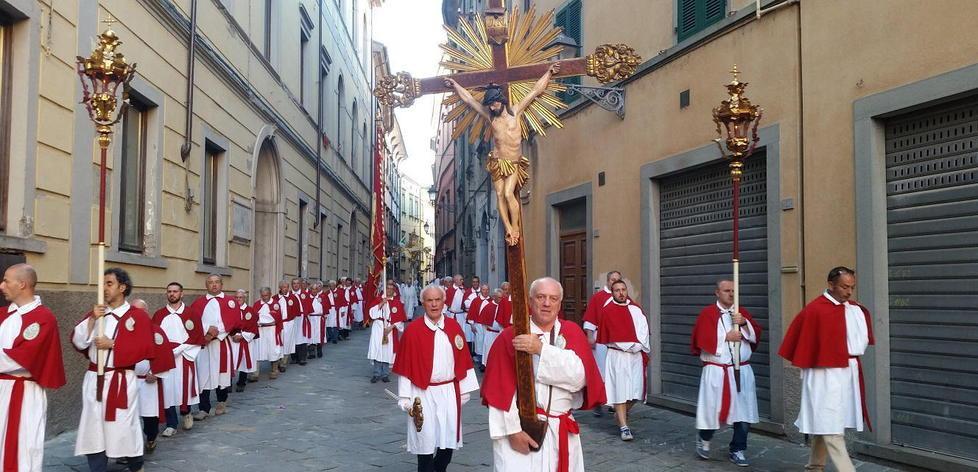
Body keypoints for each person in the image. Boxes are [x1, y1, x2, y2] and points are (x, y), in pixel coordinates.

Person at [482, 277, 605, 472]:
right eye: (540, 297)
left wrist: (541, 350)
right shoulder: (509, 336)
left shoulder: (572, 332)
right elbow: (499, 391)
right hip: (522, 431)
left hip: (561, 428)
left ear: (559, 304)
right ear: (530, 301)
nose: (547, 303)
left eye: (553, 298)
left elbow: (579, 378)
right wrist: (512, 432)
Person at [445, 63, 560, 245]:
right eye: (489, 105)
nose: (491, 107)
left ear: (501, 100)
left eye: (494, 103)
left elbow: (536, 91)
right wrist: (455, 85)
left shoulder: (516, 112)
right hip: (497, 161)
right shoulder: (490, 117)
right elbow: (469, 100)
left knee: (508, 194)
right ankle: (508, 229)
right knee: (499, 194)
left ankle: (515, 227)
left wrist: (549, 72)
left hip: (513, 162)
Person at [779, 267, 873, 472]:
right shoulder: (815, 310)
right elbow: (804, 345)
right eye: (844, 287)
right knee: (830, 424)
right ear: (831, 285)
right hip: (823, 374)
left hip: (848, 372)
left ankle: (814, 467)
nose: (849, 292)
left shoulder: (854, 309)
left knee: (827, 421)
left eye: (852, 287)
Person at [73, 268, 155, 472]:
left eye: (109, 284)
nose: (104, 288)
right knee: (93, 426)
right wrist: (92, 319)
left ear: (122, 287)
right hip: (95, 378)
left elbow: (145, 348)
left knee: (124, 426)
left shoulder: (138, 317)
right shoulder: (97, 313)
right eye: (103, 284)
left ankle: (136, 465)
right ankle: (97, 468)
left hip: (122, 380)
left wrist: (114, 344)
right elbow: (79, 341)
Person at [392, 285, 479, 472]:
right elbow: (406, 366)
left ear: (443, 302)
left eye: (437, 300)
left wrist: (464, 390)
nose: (434, 304)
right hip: (422, 393)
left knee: (447, 442)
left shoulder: (454, 327)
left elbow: (463, 359)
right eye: (429, 300)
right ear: (423, 303)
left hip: (449, 391)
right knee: (424, 440)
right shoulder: (413, 330)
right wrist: (405, 398)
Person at [0, 263, 66, 471]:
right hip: (2, 389)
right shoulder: (3, 315)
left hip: (24, 393)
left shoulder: (43, 319)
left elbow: (23, 358)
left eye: (6, 281)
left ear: (22, 284)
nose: (1, 285)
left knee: (23, 448)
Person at [691, 279, 762, 467]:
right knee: (713, 412)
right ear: (717, 293)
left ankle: (737, 449)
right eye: (726, 290)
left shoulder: (741, 312)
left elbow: (755, 336)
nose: (731, 294)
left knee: (743, 413)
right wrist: (725, 337)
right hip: (717, 372)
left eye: (733, 290)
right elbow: (701, 340)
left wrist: (744, 323)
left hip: (742, 371)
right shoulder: (707, 314)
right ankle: (704, 438)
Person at [596, 279, 649, 441]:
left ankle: (621, 415)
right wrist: (627, 345)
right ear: (612, 293)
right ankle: (624, 427)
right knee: (620, 390)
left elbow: (644, 329)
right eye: (617, 290)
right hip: (618, 355)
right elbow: (609, 334)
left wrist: (639, 345)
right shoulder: (607, 311)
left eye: (623, 289)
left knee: (635, 392)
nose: (621, 293)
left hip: (635, 356)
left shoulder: (635, 309)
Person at [152, 282, 201, 433]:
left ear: (182, 294)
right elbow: (154, 337)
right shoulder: (159, 315)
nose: (172, 294)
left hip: (184, 357)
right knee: (168, 389)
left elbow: (197, 337)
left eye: (175, 291)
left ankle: (186, 413)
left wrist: (180, 349)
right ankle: (171, 424)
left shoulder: (191, 314)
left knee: (183, 386)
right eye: (169, 291)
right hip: (165, 359)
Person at [191, 274, 240, 419]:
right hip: (205, 345)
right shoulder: (198, 303)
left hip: (221, 343)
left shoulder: (230, 301)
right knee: (203, 374)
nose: (214, 285)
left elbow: (233, 321)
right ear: (206, 285)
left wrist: (215, 332)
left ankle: (221, 401)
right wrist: (207, 330)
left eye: (217, 282)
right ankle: (203, 408)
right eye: (211, 283)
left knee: (221, 373)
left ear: (221, 284)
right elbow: (194, 322)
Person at [130, 299, 175, 455]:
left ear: (146, 312)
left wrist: (156, 373)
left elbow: (165, 355)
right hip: (129, 380)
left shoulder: (156, 331)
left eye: (140, 311)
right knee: (129, 416)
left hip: (148, 381)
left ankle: (150, 438)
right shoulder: (124, 330)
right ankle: (129, 449)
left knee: (150, 416)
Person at [582, 270, 621, 417]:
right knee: (600, 371)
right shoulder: (598, 298)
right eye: (612, 279)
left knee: (615, 371)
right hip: (601, 339)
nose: (614, 282)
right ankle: (597, 402)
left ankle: (614, 403)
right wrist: (590, 336)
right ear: (607, 281)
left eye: (617, 280)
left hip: (617, 341)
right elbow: (591, 317)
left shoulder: (622, 296)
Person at [366, 282, 406, 383]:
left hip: (389, 329)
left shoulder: (397, 303)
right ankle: (376, 373)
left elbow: (400, 320)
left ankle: (385, 374)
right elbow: (371, 313)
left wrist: (391, 327)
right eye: (387, 288)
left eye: (391, 289)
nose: (389, 290)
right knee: (377, 349)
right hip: (378, 327)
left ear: (394, 291)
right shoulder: (379, 299)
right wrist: (381, 303)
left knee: (387, 351)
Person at [253, 287, 283, 379]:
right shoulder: (257, 304)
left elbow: (274, 318)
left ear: (270, 294)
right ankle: (255, 373)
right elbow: (254, 317)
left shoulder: (275, 304)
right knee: (257, 350)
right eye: (262, 295)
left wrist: (261, 318)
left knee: (273, 350)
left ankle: (274, 370)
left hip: (271, 330)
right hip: (260, 331)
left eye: (266, 295)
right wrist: (265, 318)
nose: (264, 297)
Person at [233, 289, 259, 391]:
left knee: (243, 362)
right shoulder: (230, 310)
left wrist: (243, 335)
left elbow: (253, 327)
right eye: (236, 297)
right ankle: (228, 384)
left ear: (245, 298)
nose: (238, 299)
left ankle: (241, 382)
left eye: (240, 297)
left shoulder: (250, 311)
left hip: (245, 340)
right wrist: (233, 335)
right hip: (233, 340)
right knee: (231, 361)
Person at [273, 281, 295, 371]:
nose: (285, 289)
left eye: (287, 287)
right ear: (280, 288)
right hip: (278, 323)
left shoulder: (292, 298)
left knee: (287, 342)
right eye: (283, 287)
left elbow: (296, 310)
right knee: (278, 342)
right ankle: (276, 361)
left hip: (289, 323)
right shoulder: (275, 298)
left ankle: (283, 363)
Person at [480, 289, 504, 368]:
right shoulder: (488, 307)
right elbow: (483, 323)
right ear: (494, 297)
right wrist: (486, 332)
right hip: (490, 333)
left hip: (501, 333)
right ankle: (487, 366)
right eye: (499, 297)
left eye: (502, 297)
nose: (501, 299)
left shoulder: (504, 306)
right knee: (489, 350)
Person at [468, 284, 490, 366]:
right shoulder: (476, 301)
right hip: (479, 325)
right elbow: (471, 312)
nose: (485, 291)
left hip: (488, 325)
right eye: (484, 290)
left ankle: (487, 360)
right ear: (481, 290)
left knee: (487, 342)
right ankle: (481, 361)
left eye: (487, 290)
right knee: (479, 342)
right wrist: (472, 325)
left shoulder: (491, 300)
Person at [289, 278, 310, 366]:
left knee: (301, 338)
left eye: (297, 283)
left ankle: (302, 358)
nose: (296, 285)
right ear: (292, 285)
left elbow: (308, 306)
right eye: (294, 283)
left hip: (301, 318)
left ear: (300, 284)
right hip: (292, 319)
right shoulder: (289, 295)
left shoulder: (304, 294)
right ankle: (294, 357)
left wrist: (306, 315)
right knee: (293, 337)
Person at [308, 280, 327, 358]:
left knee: (319, 335)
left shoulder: (321, 297)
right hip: (311, 319)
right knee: (311, 335)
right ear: (310, 290)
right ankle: (311, 352)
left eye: (316, 289)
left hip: (319, 319)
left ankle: (319, 350)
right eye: (313, 289)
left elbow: (325, 307)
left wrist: (324, 315)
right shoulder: (308, 298)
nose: (314, 291)